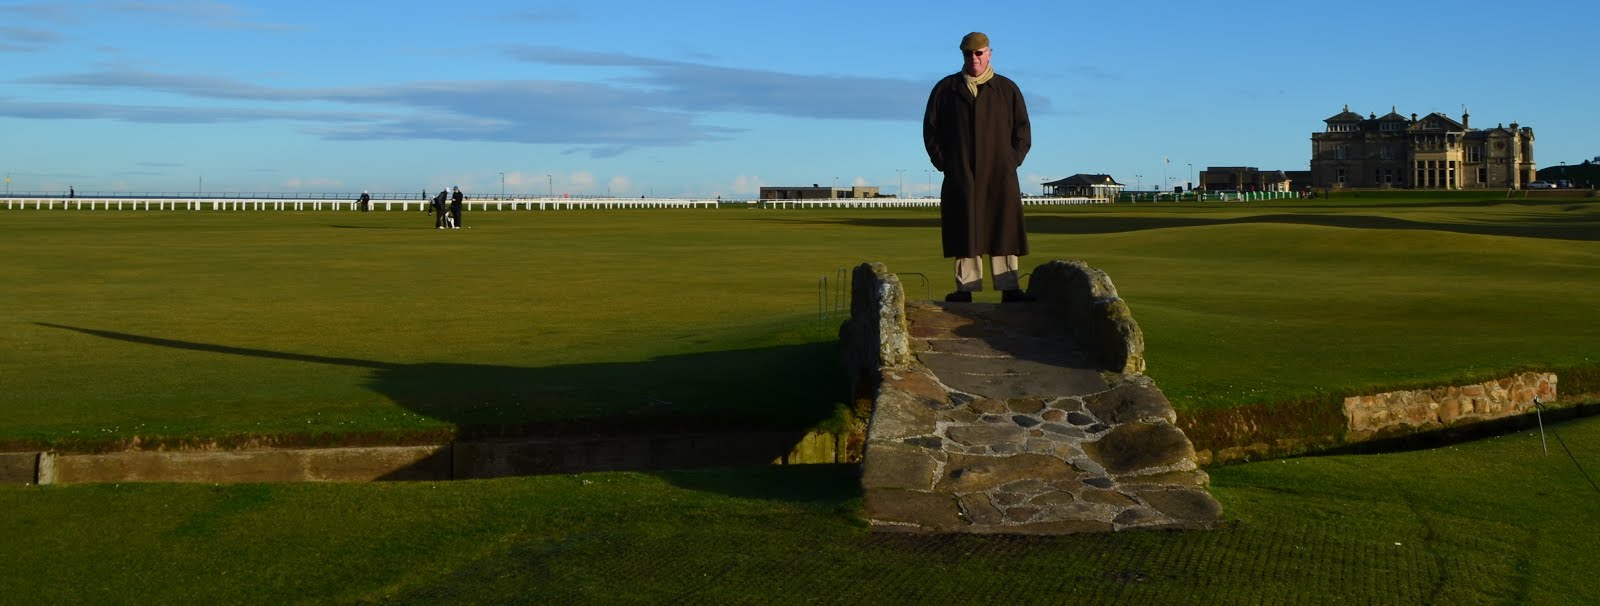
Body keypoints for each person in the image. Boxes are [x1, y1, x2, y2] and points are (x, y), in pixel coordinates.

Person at [923, 31, 1033, 303]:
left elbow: (1023, 131)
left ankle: (1009, 287)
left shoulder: (1007, 89)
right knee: (965, 230)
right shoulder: (945, 89)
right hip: (961, 175)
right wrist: (946, 163)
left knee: (1003, 229)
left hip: (1000, 174)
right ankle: (966, 289)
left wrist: (1011, 161)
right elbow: (931, 130)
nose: (974, 58)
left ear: (989, 53)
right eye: (968, 53)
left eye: (979, 52)